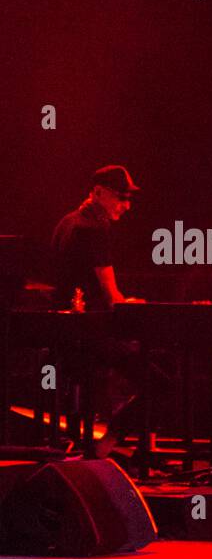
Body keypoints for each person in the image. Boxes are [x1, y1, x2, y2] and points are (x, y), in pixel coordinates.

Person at [50, 164, 147, 457]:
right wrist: (135, 306)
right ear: (98, 193)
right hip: (88, 337)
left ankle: (95, 441)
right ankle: (109, 441)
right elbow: (112, 298)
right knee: (159, 379)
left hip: (64, 332)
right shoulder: (94, 231)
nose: (126, 206)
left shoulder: (66, 222)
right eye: (121, 198)